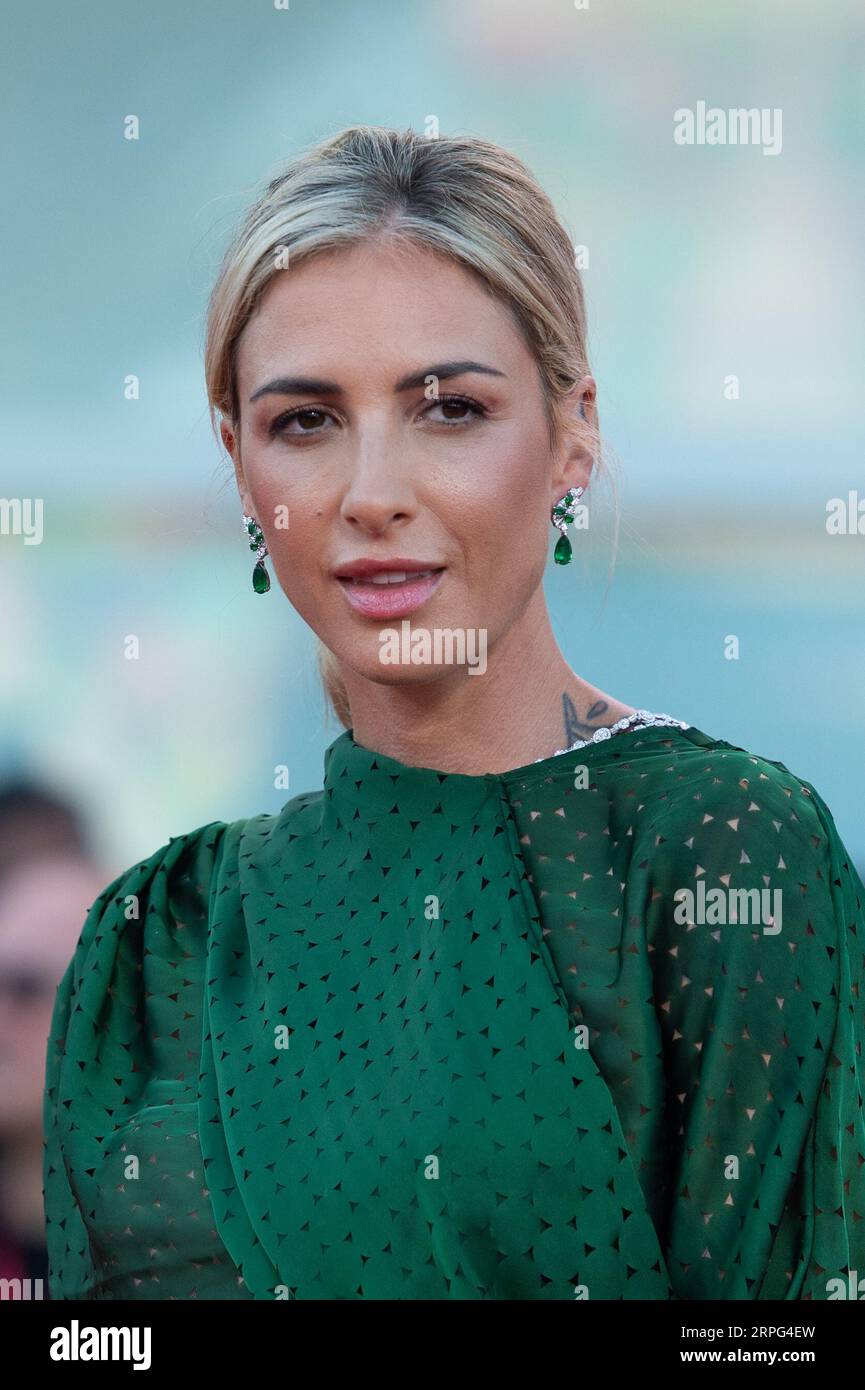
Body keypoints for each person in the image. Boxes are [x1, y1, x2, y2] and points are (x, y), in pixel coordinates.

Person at [43, 125, 865, 1301]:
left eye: (448, 409)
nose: (373, 494)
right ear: (239, 465)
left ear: (572, 430)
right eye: (306, 422)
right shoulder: (160, 935)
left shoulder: (717, 847)